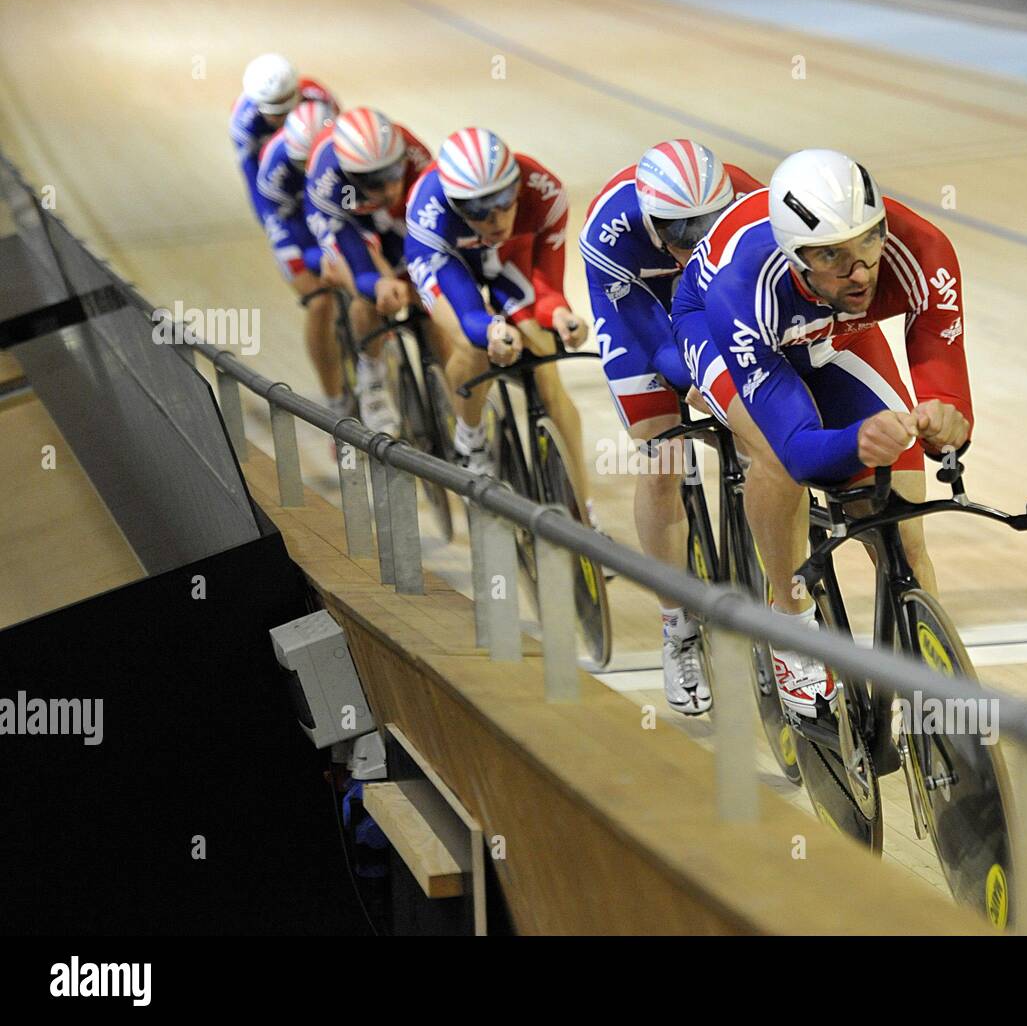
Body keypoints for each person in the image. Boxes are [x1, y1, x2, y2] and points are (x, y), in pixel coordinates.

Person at [672, 149, 972, 721]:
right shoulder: (742, 288)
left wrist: (948, 422)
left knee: (903, 534)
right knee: (775, 457)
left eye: (867, 243)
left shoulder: (921, 251)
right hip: (721, 329)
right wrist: (857, 441)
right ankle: (787, 622)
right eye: (832, 255)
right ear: (793, 256)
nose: (859, 271)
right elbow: (800, 451)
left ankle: (929, 695)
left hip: (833, 328)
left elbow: (947, 385)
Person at [579, 139, 761, 715]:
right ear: (653, 221)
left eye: (706, 224)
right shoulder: (610, 229)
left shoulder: (750, 198)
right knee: (662, 459)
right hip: (637, 308)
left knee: (764, 425)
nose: (694, 240)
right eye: (681, 231)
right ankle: (676, 626)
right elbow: (653, 340)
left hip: (711, 295)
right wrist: (692, 374)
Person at [405, 127, 589, 493]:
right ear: (456, 204)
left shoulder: (544, 191)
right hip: (445, 263)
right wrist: (492, 330)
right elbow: (471, 315)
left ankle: (585, 510)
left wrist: (563, 317)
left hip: (503, 260)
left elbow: (548, 287)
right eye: (478, 210)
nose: (496, 219)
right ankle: (470, 440)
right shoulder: (429, 209)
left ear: (517, 185)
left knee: (547, 359)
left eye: (505, 200)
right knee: (473, 345)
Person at [304, 107, 433, 436]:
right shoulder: (328, 176)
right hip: (347, 221)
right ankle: (372, 377)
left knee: (428, 289)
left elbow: (426, 228)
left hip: (389, 220)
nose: (390, 186)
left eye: (394, 172)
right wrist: (379, 284)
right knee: (364, 291)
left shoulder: (414, 152)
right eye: (375, 181)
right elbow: (354, 255)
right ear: (352, 175)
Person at [254, 100, 348, 417]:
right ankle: (335, 402)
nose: (312, 170)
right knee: (320, 302)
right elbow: (277, 226)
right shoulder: (275, 167)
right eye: (302, 163)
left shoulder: (346, 151)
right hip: (299, 232)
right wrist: (309, 267)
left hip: (336, 219)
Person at [231, 53, 337, 213]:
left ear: (297, 90)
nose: (286, 118)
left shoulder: (318, 95)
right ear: (258, 105)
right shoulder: (243, 125)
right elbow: (255, 182)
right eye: (277, 113)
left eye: (289, 106)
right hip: (283, 166)